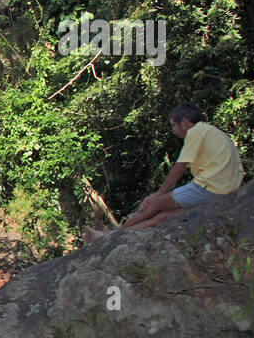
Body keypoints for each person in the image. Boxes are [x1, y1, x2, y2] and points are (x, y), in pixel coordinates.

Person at [85, 103, 243, 242]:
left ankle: (110, 236)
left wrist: (158, 194)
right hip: (227, 191)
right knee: (164, 216)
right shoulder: (215, 133)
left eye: (174, 125)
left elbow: (179, 168)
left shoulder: (196, 131)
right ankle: (111, 237)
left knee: (154, 204)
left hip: (211, 187)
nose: (174, 130)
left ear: (186, 123)